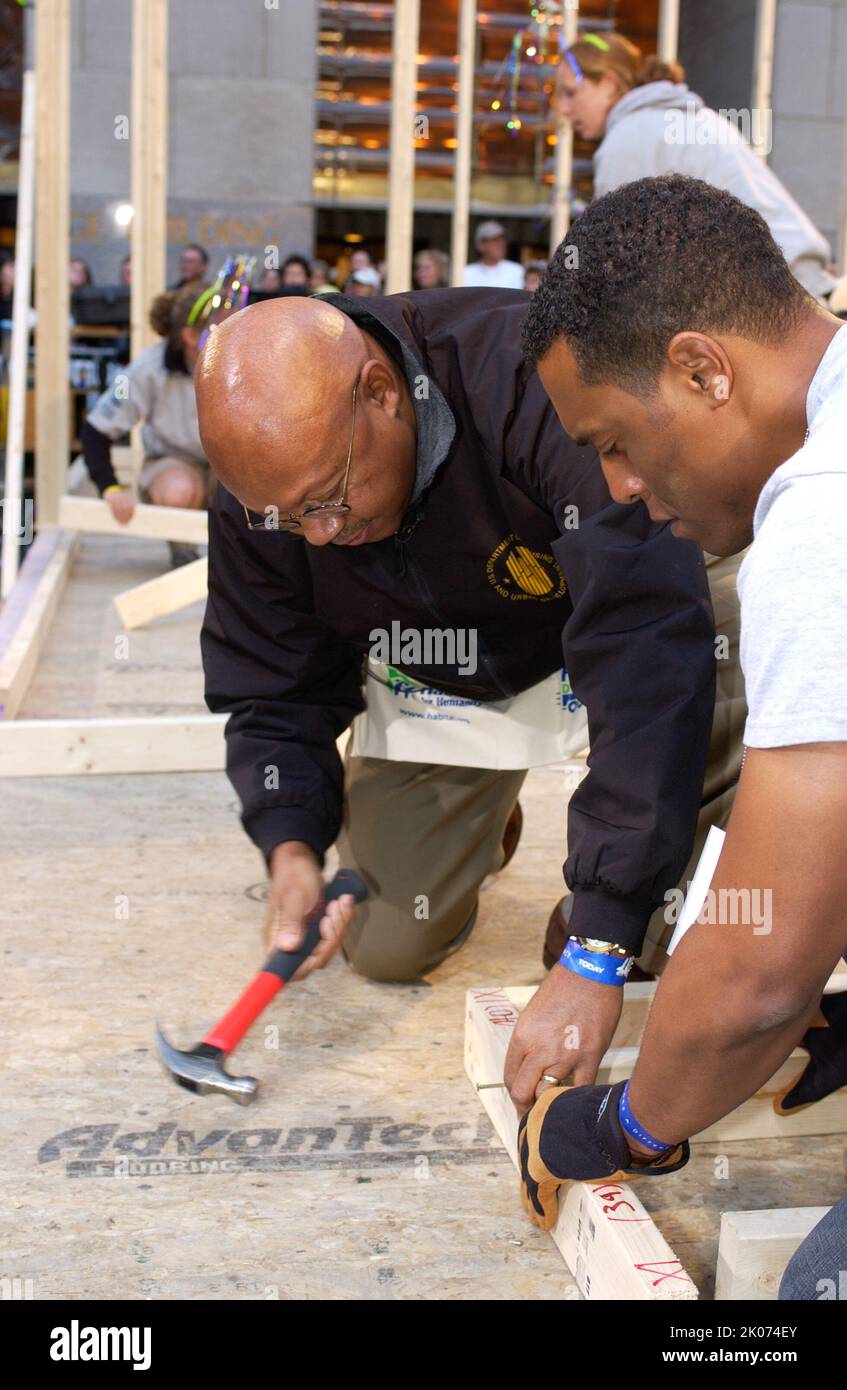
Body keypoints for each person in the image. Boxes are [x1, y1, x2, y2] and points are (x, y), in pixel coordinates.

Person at [193, 286, 742, 1086]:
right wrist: (290, 844)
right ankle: (486, 820)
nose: (318, 534)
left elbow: (646, 657)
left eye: (327, 500)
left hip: (602, 624)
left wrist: (601, 940)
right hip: (444, 673)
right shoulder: (270, 489)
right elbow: (274, 680)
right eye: (286, 518)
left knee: (725, 656)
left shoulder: (532, 377)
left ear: (382, 394)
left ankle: (647, 910)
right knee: (387, 945)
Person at [516, 174, 847, 1297]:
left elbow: (756, 968)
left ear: (704, 370)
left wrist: (623, 1123)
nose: (617, 489)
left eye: (613, 439)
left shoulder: (824, 517)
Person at [555, 32, 836, 302]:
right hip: (798, 283)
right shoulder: (684, 116)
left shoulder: (629, 137)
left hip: (771, 295)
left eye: (570, 92)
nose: (564, 110)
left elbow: (613, 260)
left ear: (609, 84)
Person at [80, 279, 211, 566]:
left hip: (227, 467)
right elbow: (96, 429)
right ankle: (183, 551)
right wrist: (110, 488)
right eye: (216, 324)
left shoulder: (237, 359)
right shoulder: (145, 370)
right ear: (190, 336)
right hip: (175, 462)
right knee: (179, 491)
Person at [462, 221, 524, 290]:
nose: (501, 244)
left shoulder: (517, 271)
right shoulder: (466, 273)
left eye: (502, 240)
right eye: (495, 240)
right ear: (480, 245)